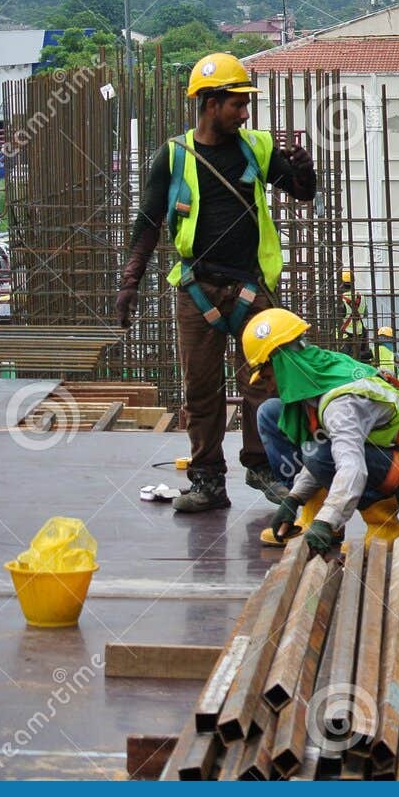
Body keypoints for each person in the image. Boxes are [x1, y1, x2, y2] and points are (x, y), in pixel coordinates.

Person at [115, 51, 316, 513]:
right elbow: (147, 223)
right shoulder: (174, 155)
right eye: (236, 104)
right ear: (209, 104)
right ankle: (207, 481)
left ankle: (261, 464)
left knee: (264, 383)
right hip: (197, 289)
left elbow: (302, 192)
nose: (244, 113)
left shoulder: (256, 148)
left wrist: (305, 171)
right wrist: (130, 282)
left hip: (251, 291)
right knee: (200, 390)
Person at [242, 308, 399, 554]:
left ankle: (385, 530)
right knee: (273, 413)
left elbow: (351, 467)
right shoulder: (319, 373)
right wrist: (294, 499)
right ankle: (314, 515)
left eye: (266, 375)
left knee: (319, 453)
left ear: (282, 362)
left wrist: (327, 520)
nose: (268, 384)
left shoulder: (341, 404)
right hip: (380, 455)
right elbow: (326, 443)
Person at [338, 270, 371, 361]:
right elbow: (365, 314)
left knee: (344, 361)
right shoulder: (361, 297)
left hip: (345, 335)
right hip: (359, 334)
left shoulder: (340, 299)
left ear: (341, 283)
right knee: (356, 360)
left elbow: (338, 317)